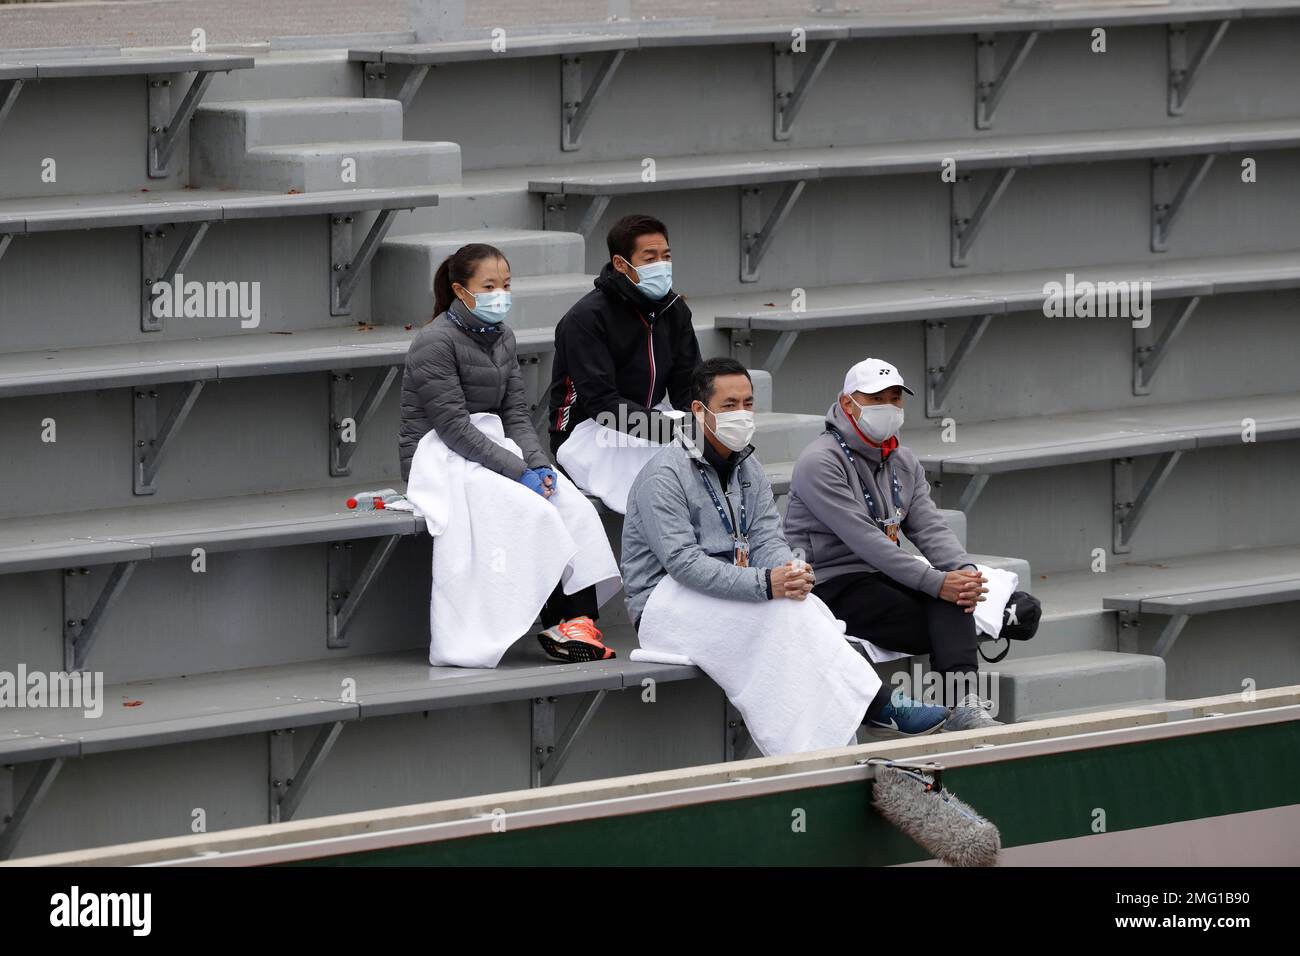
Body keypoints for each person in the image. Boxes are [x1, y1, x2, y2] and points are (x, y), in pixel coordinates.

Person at [621, 357, 952, 755]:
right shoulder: (665, 474)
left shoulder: (748, 466)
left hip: (724, 589)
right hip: (664, 605)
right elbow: (684, 564)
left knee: (801, 603)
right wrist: (765, 584)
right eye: (729, 405)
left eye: (747, 403)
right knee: (780, 610)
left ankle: (828, 742)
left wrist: (788, 569)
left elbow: (766, 537)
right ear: (698, 410)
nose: (741, 414)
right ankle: (876, 708)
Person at [784, 358, 1042, 730]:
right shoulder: (819, 462)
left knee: (954, 591)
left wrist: (964, 573)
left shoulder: (902, 459)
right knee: (944, 595)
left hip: (882, 575)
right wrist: (939, 583)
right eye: (875, 399)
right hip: (830, 583)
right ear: (846, 404)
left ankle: (964, 705)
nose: (888, 407)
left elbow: (929, 527)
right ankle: (968, 679)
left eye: (894, 398)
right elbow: (867, 541)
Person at [399, 242, 619, 663]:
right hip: (438, 456)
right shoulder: (432, 343)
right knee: (532, 509)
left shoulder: (503, 337)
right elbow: (454, 428)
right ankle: (557, 622)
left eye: (506, 284)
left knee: (570, 502)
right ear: (462, 291)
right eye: (490, 285)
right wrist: (519, 474)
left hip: (495, 447)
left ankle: (579, 624)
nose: (501, 293)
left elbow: (516, 414)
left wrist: (539, 464)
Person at [546, 214, 702, 508]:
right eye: (649, 258)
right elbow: (603, 405)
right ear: (621, 264)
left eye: (666, 256)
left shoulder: (675, 309)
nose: (662, 264)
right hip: (591, 431)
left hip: (653, 419)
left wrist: (699, 423)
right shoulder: (585, 319)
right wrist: (671, 431)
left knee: (716, 461)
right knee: (656, 491)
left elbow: (688, 385)